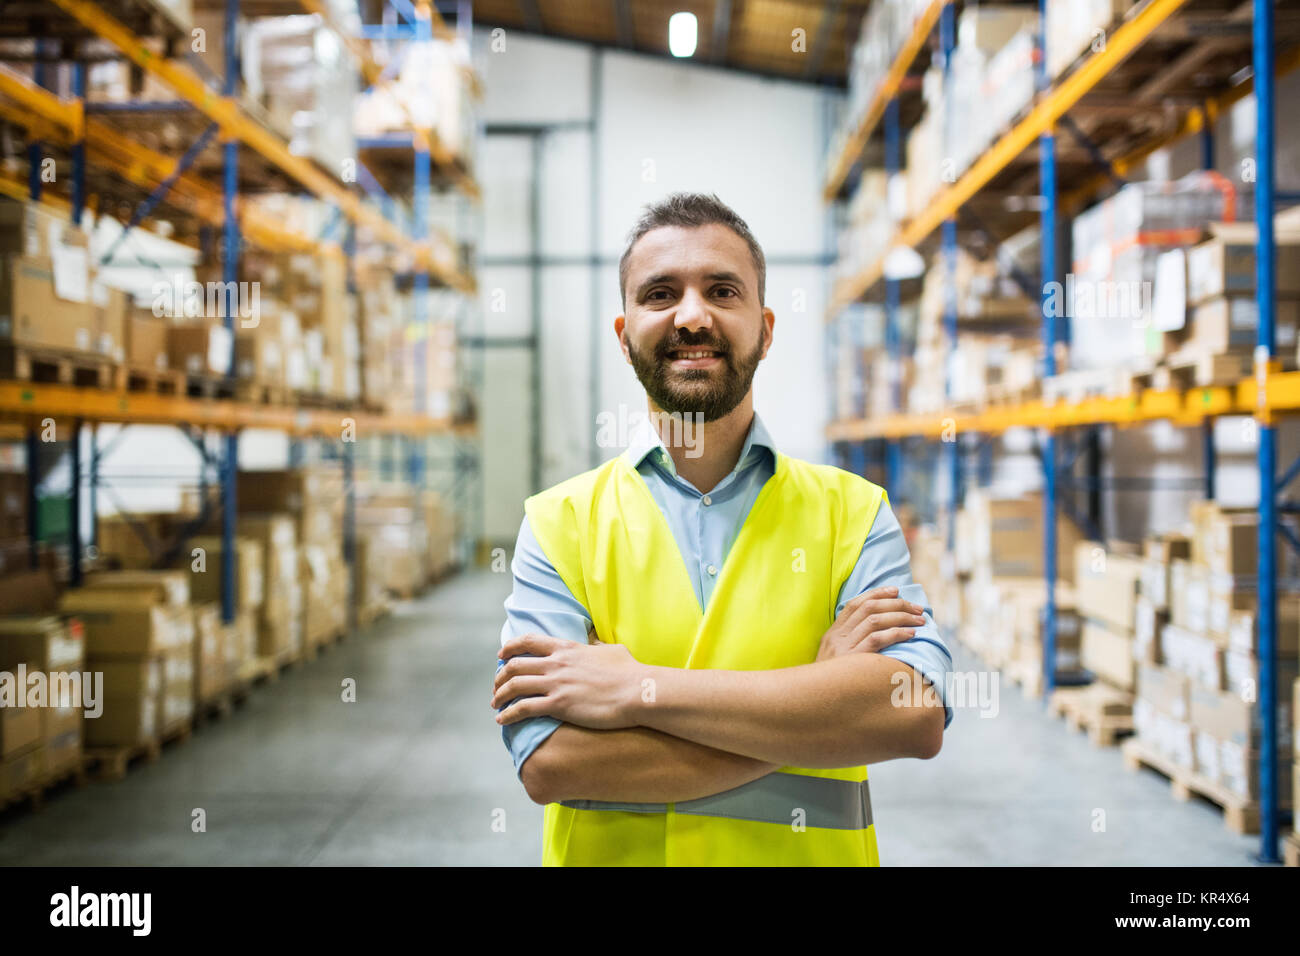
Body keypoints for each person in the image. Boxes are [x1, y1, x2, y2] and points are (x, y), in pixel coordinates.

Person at [492, 192, 952, 866]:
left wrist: (634, 690)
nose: (691, 316)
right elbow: (553, 763)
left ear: (765, 329)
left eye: (721, 290)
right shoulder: (559, 525)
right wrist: (815, 702)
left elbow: (911, 713)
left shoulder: (853, 513)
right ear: (624, 337)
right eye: (660, 294)